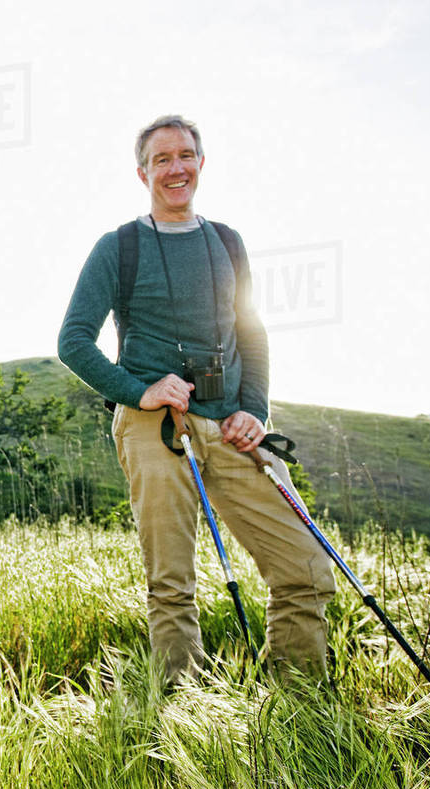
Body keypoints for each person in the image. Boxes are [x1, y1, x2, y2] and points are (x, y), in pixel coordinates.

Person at [57, 115, 335, 683]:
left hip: (231, 429)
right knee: (173, 583)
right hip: (156, 428)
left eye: (185, 155)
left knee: (306, 569)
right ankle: (185, 722)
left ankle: (300, 712)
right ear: (143, 173)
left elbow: (251, 332)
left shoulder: (228, 241)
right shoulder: (119, 247)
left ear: (201, 164)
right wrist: (139, 391)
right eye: (162, 160)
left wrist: (254, 411)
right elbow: (73, 341)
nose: (176, 168)